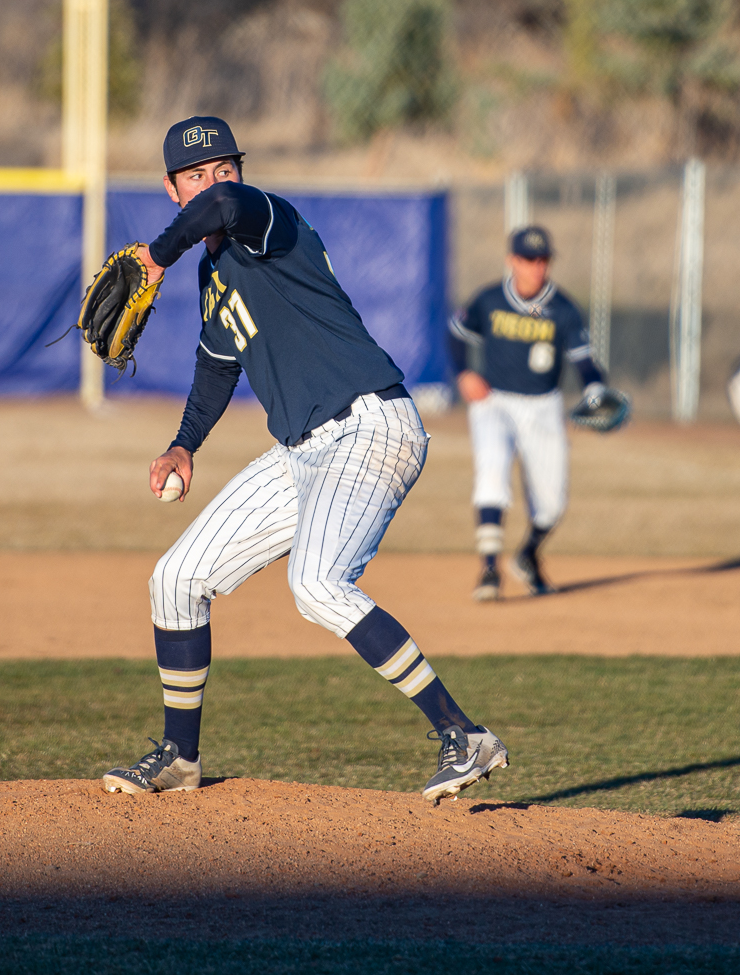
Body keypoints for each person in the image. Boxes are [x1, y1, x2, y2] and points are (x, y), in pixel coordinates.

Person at [100, 116, 508, 804]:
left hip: (371, 426)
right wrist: (183, 445)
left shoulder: (265, 221)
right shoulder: (213, 273)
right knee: (175, 579)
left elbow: (225, 207)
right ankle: (179, 757)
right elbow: (216, 365)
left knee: (317, 585)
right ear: (171, 189)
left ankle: (464, 735)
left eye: (223, 166)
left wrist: (154, 256)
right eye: (195, 175)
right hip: (302, 451)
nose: (212, 182)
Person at [447, 224, 609, 600]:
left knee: (552, 505)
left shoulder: (563, 309)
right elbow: (456, 333)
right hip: (494, 401)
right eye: (528, 259)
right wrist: (464, 373)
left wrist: (595, 388)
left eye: (542, 260)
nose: (536, 267)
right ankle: (489, 570)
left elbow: (585, 361)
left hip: (543, 406)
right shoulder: (489, 299)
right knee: (493, 469)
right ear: (512, 261)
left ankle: (527, 555)